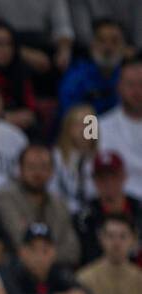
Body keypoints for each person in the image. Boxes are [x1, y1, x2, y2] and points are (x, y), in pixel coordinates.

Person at [0, 144, 81, 266]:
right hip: (16, 269)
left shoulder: (60, 204)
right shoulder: (5, 198)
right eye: (31, 167)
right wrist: (46, 254)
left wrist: (44, 258)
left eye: (44, 167)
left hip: (55, 270)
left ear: (52, 171)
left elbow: (72, 250)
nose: (37, 173)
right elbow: (19, 241)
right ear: (20, 169)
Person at [0, 223, 94, 294]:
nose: (39, 257)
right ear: (21, 252)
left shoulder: (61, 274)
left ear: (54, 253)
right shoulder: (11, 273)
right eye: (33, 249)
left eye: (45, 250)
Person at [75, 151, 142, 265]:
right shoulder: (85, 218)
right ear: (94, 180)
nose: (109, 183)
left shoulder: (139, 210)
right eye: (102, 178)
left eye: (113, 176)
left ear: (124, 177)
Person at [58, 17, 128, 117]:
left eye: (115, 41)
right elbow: (71, 117)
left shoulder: (130, 77)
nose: (108, 48)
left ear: (124, 47)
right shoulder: (76, 77)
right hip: (86, 130)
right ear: (92, 45)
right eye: (101, 40)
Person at [75, 214, 142, 294]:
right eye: (110, 236)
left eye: (123, 236)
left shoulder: (139, 280)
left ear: (133, 239)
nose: (116, 243)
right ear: (101, 238)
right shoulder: (84, 279)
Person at [99, 59, 142, 200]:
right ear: (119, 87)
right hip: (119, 205)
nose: (137, 91)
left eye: (141, 84)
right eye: (131, 85)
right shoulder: (99, 126)